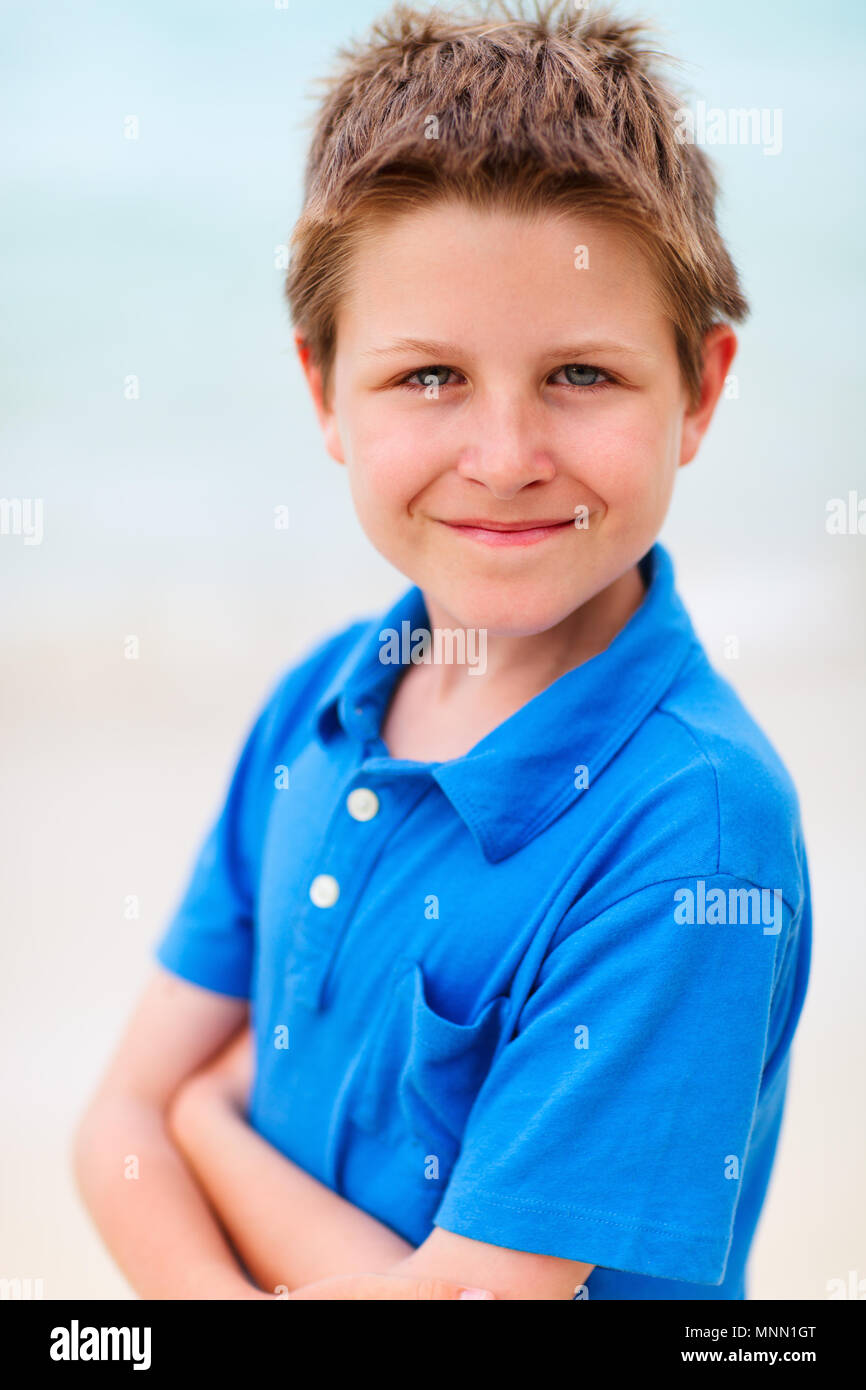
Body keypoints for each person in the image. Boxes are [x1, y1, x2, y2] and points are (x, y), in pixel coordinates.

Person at [74, 0, 811, 1300]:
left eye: (580, 374)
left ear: (697, 390)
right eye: (428, 378)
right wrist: (170, 1120)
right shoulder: (320, 704)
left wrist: (206, 1125)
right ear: (323, 390)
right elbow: (108, 1133)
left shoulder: (691, 831)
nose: (504, 455)